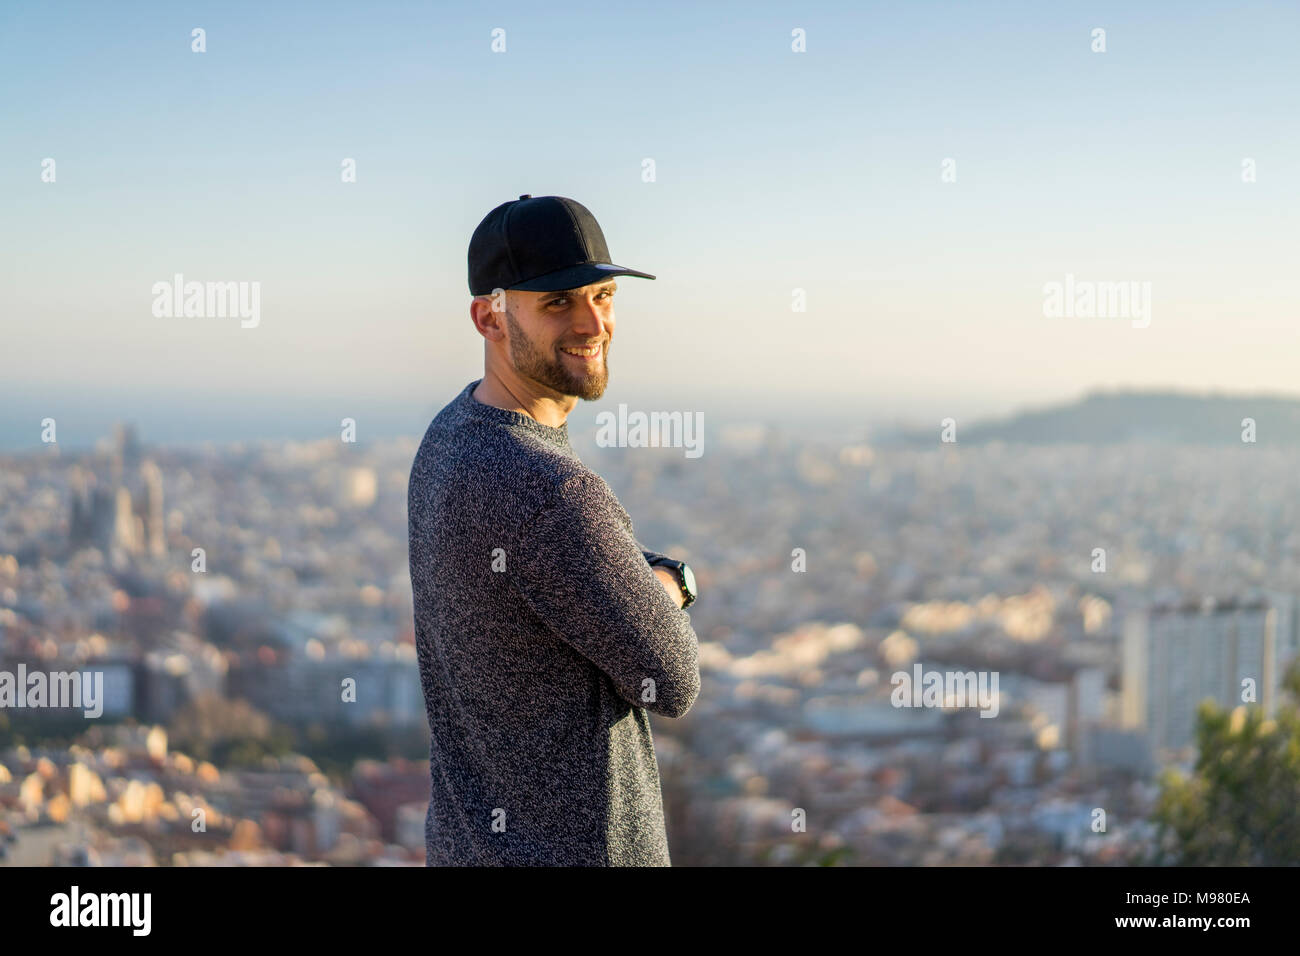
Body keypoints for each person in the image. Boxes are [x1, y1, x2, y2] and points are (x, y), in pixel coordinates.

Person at [407, 194, 701, 866]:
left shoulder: (448, 439)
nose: (593, 322)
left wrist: (627, 575)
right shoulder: (555, 491)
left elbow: (549, 572)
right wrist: (671, 585)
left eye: (602, 295)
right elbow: (674, 681)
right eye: (557, 303)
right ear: (490, 316)